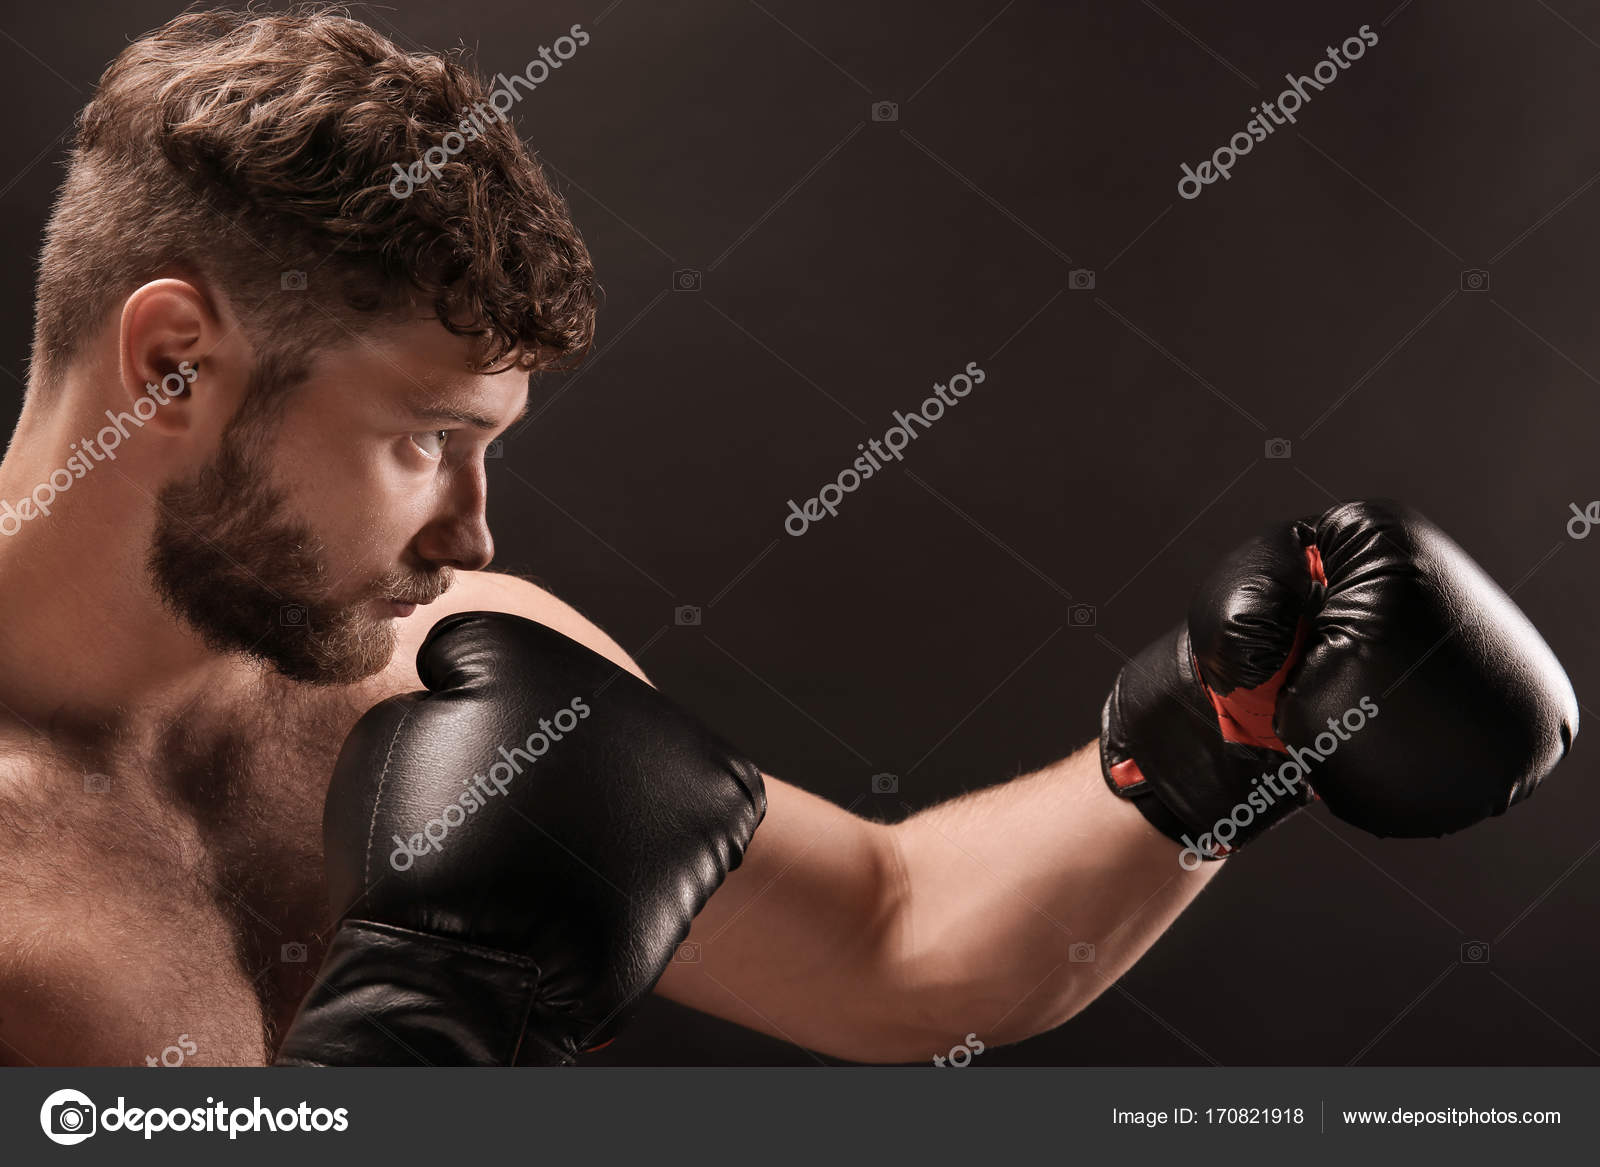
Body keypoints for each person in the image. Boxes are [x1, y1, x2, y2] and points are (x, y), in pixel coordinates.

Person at [0, 7, 1576, 1067]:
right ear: (173, 368)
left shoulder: (424, 669)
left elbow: (897, 944)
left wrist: (1225, 737)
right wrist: (424, 1033)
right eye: (428, 439)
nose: (475, 532)